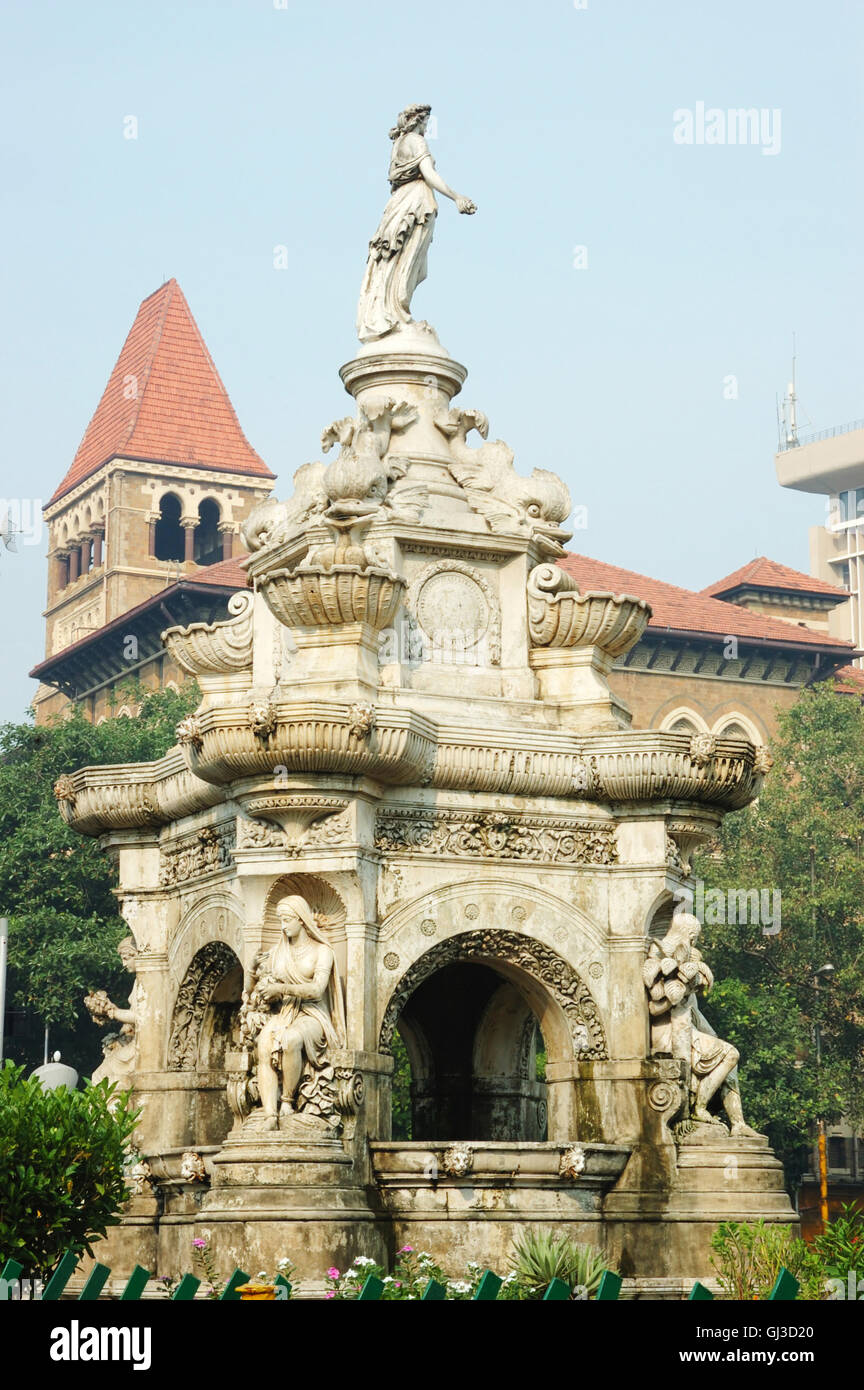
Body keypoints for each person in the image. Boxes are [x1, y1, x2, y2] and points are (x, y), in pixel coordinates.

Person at [357, 103, 476, 343]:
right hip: (415, 203)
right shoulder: (416, 141)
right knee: (408, 260)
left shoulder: (398, 145)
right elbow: (429, 174)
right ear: (419, 121)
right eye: (426, 123)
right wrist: (456, 197)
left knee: (401, 260)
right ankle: (396, 315)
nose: (427, 128)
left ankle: (391, 312)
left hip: (398, 203)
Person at [644, 912, 759, 1137]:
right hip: (669, 1036)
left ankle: (738, 1124)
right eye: (694, 937)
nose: (694, 942)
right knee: (731, 1054)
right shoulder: (660, 962)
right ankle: (699, 1108)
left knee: (730, 1065)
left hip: (690, 1032)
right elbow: (654, 1008)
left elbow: (698, 1016)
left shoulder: (691, 965)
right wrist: (679, 990)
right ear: (688, 936)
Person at [241, 895, 346, 1131]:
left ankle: (287, 1101)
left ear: (301, 920)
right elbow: (252, 989)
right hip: (285, 1012)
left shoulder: (322, 951)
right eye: (280, 920)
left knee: (291, 1040)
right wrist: (252, 971)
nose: (282, 925)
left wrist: (281, 988)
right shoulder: (278, 952)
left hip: (313, 1015)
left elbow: (317, 990)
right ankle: (269, 1113)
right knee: (264, 1043)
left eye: (287, 919)